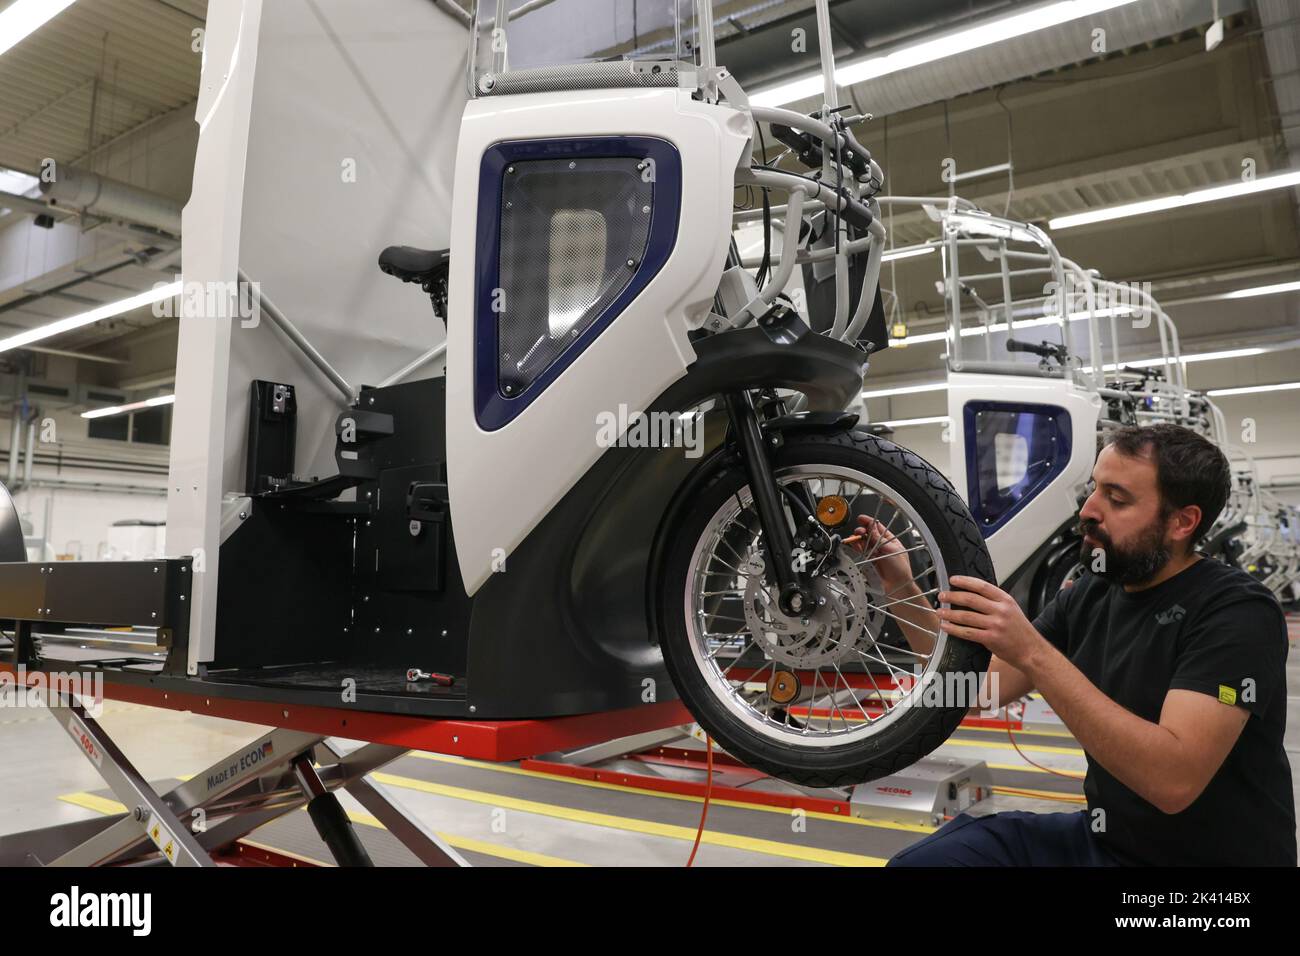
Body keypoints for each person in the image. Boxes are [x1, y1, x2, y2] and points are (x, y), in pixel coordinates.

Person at [860, 423, 1296, 866]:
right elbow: (980, 689)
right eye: (1093, 489)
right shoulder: (1094, 592)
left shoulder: (1237, 612)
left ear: (1182, 522)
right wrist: (900, 588)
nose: (1089, 509)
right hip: (1110, 842)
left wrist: (1033, 651)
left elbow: (1173, 781)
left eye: (1117, 498)